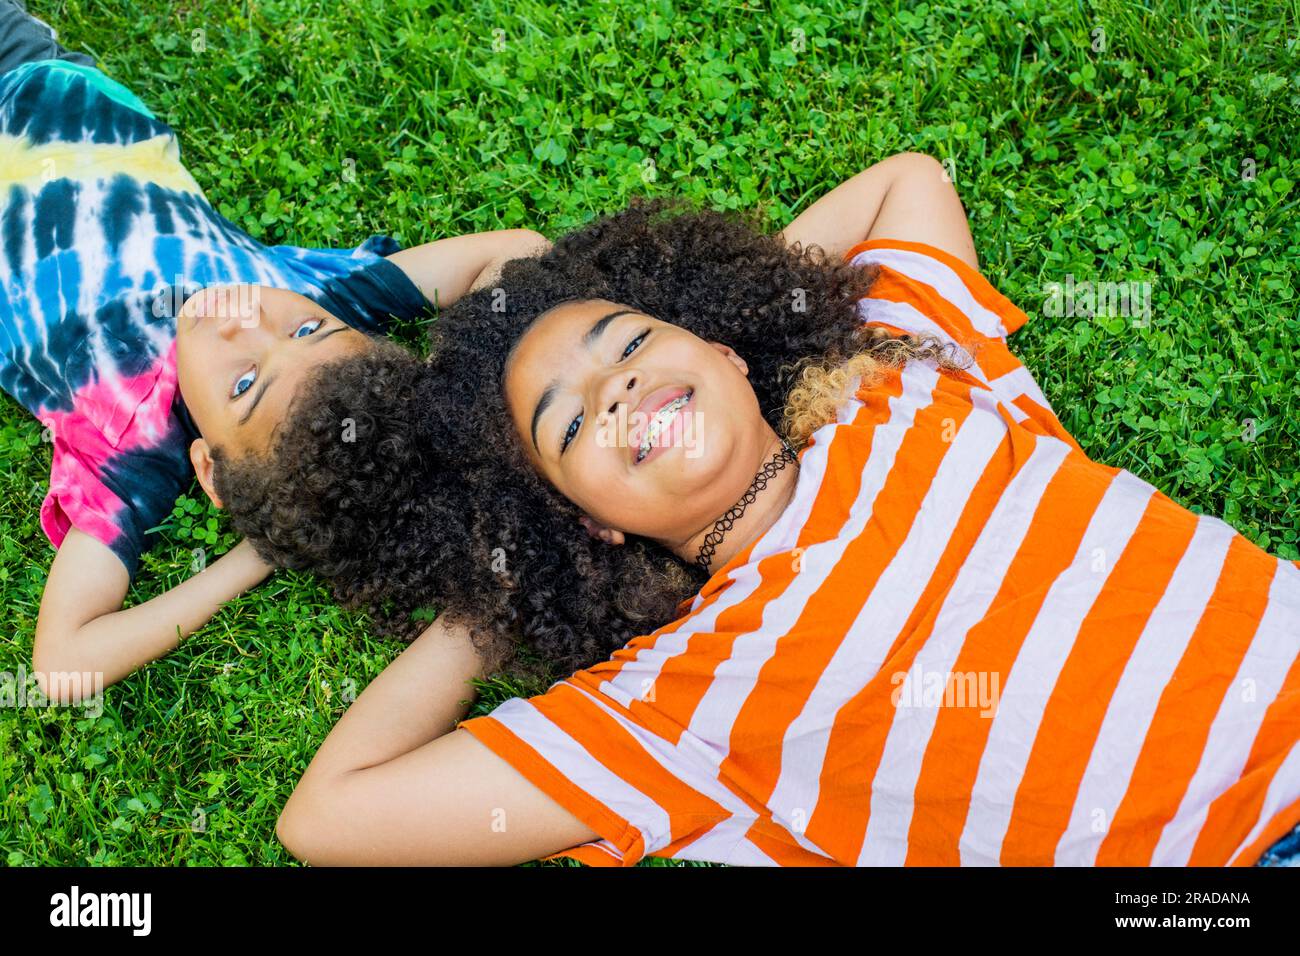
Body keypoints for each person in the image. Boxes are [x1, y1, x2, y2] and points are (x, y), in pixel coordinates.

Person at [245, 153, 1300, 867]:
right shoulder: (672, 700)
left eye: (628, 341)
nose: (611, 388)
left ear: (722, 346)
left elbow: (906, 181)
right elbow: (328, 813)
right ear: (586, 521)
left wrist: (751, 333)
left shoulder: (906, 380)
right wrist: (499, 587)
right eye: (567, 429)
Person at [0, 0, 547, 699]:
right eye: (306, 331)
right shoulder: (328, 300)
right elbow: (517, 254)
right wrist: (447, 395)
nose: (247, 321)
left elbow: (63, 668)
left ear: (211, 472)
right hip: (37, 81)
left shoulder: (131, 453)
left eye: (243, 386)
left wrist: (255, 558)